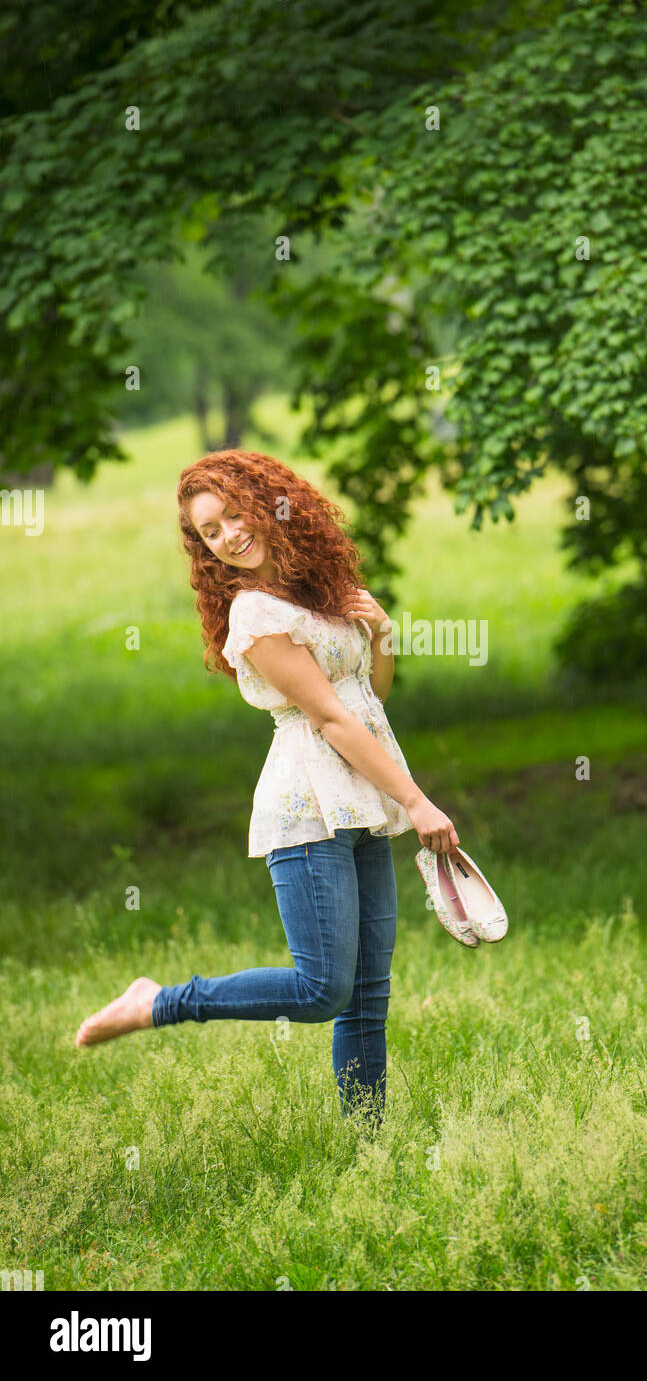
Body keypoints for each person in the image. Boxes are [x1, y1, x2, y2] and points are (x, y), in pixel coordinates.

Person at [75, 449, 460, 1128]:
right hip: (306, 811)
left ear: (270, 501)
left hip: (359, 802)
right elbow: (332, 720)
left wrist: (379, 635)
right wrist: (418, 801)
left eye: (230, 517)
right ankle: (158, 1002)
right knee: (321, 989)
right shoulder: (253, 612)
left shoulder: (315, 589)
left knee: (367, 996)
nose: (227, 536)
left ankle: (367, 1151)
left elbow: (367, 699)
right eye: (209, 532)